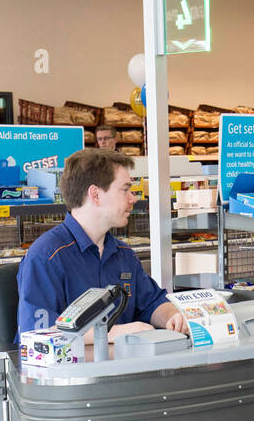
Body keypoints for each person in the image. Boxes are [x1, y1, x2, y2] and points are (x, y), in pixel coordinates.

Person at [15, 147, 186, 345]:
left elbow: (152, 303)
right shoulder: (46, 256)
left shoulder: (124, 255)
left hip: (124, 368)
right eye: (124, 190)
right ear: (95, 194)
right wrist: (114, 333)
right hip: (72, 373)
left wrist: (172, 317)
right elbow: (37, 334)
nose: (133, 198)